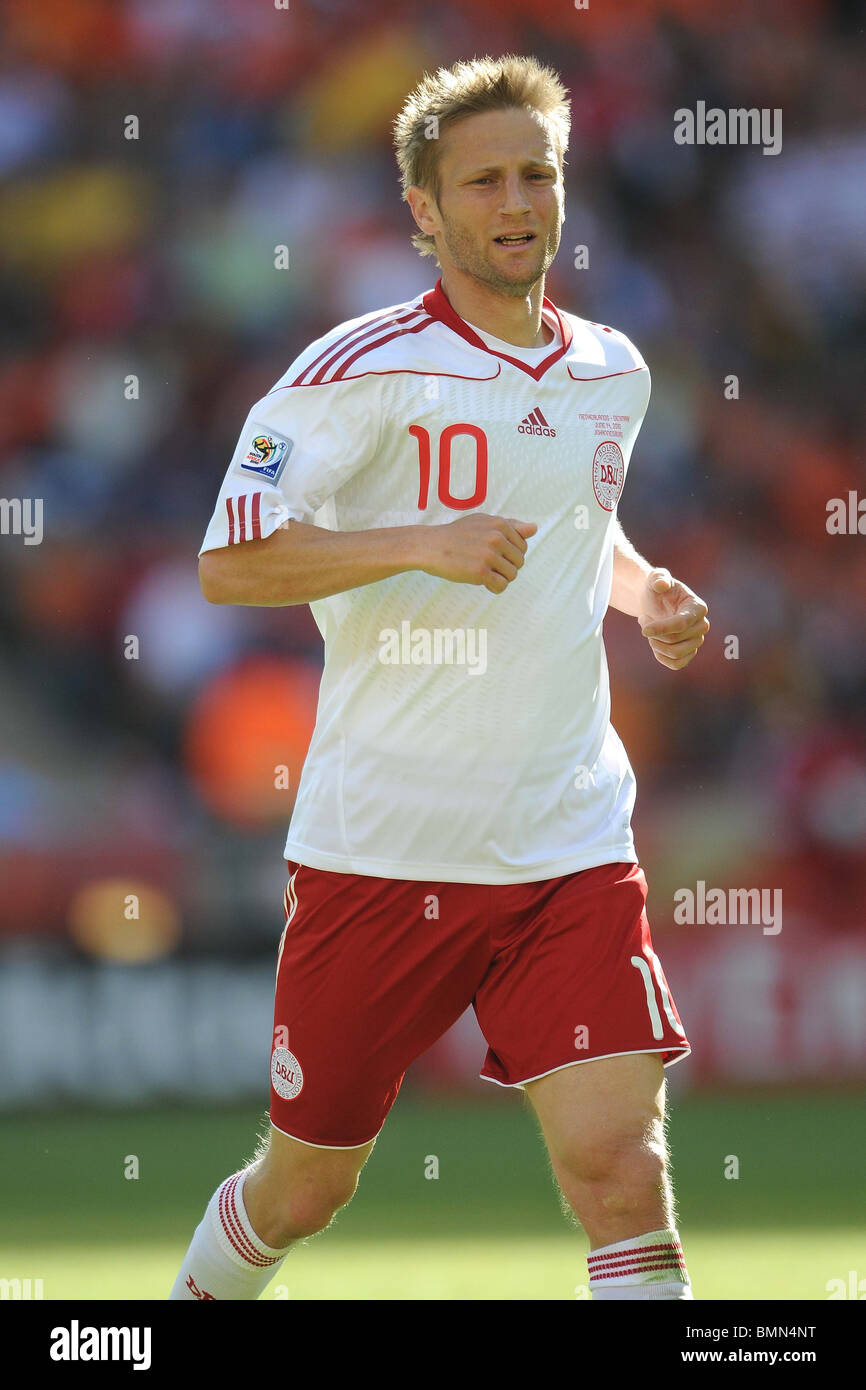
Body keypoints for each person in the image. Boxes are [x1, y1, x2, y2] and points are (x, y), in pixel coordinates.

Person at [171, 53, 710, 1302]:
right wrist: (419, 538)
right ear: (422, 208)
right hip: (384, 848)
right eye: (482, 180)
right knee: (308, 1184)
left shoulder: (610, 373)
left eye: (537, 172)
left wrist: (646, 592)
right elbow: (226, 562)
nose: (515, 200)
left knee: (619, 1172)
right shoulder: (352, 369)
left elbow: (580, 527)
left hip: (566, 839)